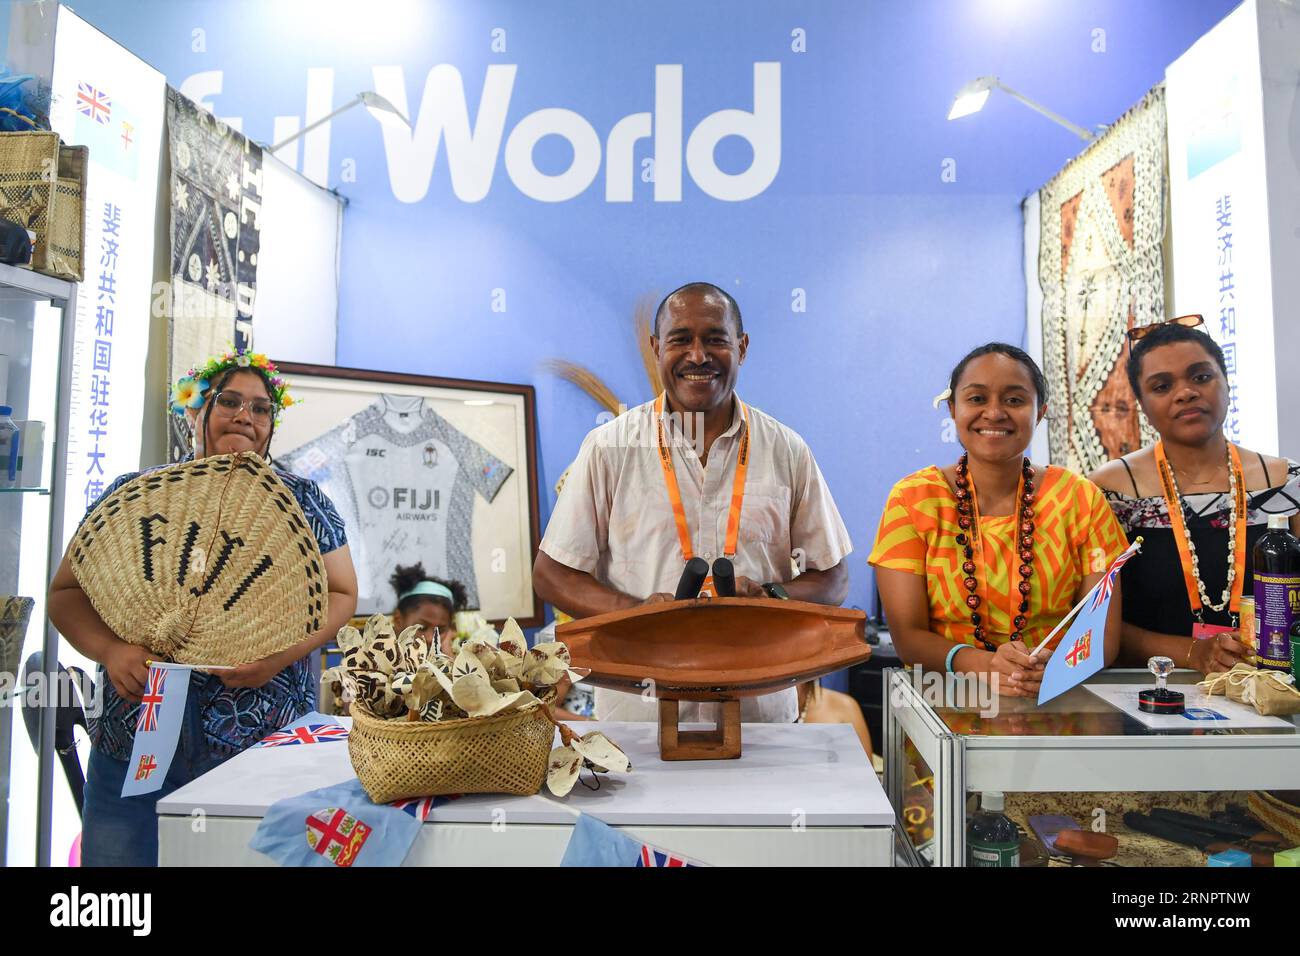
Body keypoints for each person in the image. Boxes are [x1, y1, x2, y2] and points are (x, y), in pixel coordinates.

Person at [47, 349, 359, 866]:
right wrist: (111, 650)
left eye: (261, 409)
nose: (246, 416)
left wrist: (278, 658)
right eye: (230, 402)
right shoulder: (136, 494)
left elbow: (342, 593)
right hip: (135, 730)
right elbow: (67, 593)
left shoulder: (302, 502)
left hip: (260, 735)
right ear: (196, 411)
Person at [533, 281, 853, 721]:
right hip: (637, 721)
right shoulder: (608, 447)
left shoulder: (787, 450)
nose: (698, 355)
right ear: (655, 347)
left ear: (741, 347)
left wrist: (771, 595)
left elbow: (833, 578)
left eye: (716, 339)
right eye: (680, 339)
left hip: (759, 717)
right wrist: (636, 613)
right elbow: (552, 574)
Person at [870, 343, 1127, 696]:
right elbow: (907, 638)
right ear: (953, 409)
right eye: (976, 399)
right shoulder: (914, 500)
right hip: (945, 710)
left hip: (1057, 702)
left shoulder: (1079, 499)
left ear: (1039, 413)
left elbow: (1101, 635)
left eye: (1014, 400)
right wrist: (983, 664)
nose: (994, 413)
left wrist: (1056, 668)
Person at [1088, 317, 1300, 674]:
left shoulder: (1285, 482)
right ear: (1142, 404)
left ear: (1227, 383)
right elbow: (1089, 618)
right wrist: (1193, 653)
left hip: (1271, 689)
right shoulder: (1107, 492)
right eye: (1161, 386)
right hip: (1147, 692)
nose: (1185, 392)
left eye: (1201, 377)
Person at [389, 562, 467, 656]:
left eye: (440, 631)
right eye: (421, 628)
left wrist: (448, 654)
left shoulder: (459, 657)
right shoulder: (373, 659)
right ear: (398, 620)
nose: (430, 639)